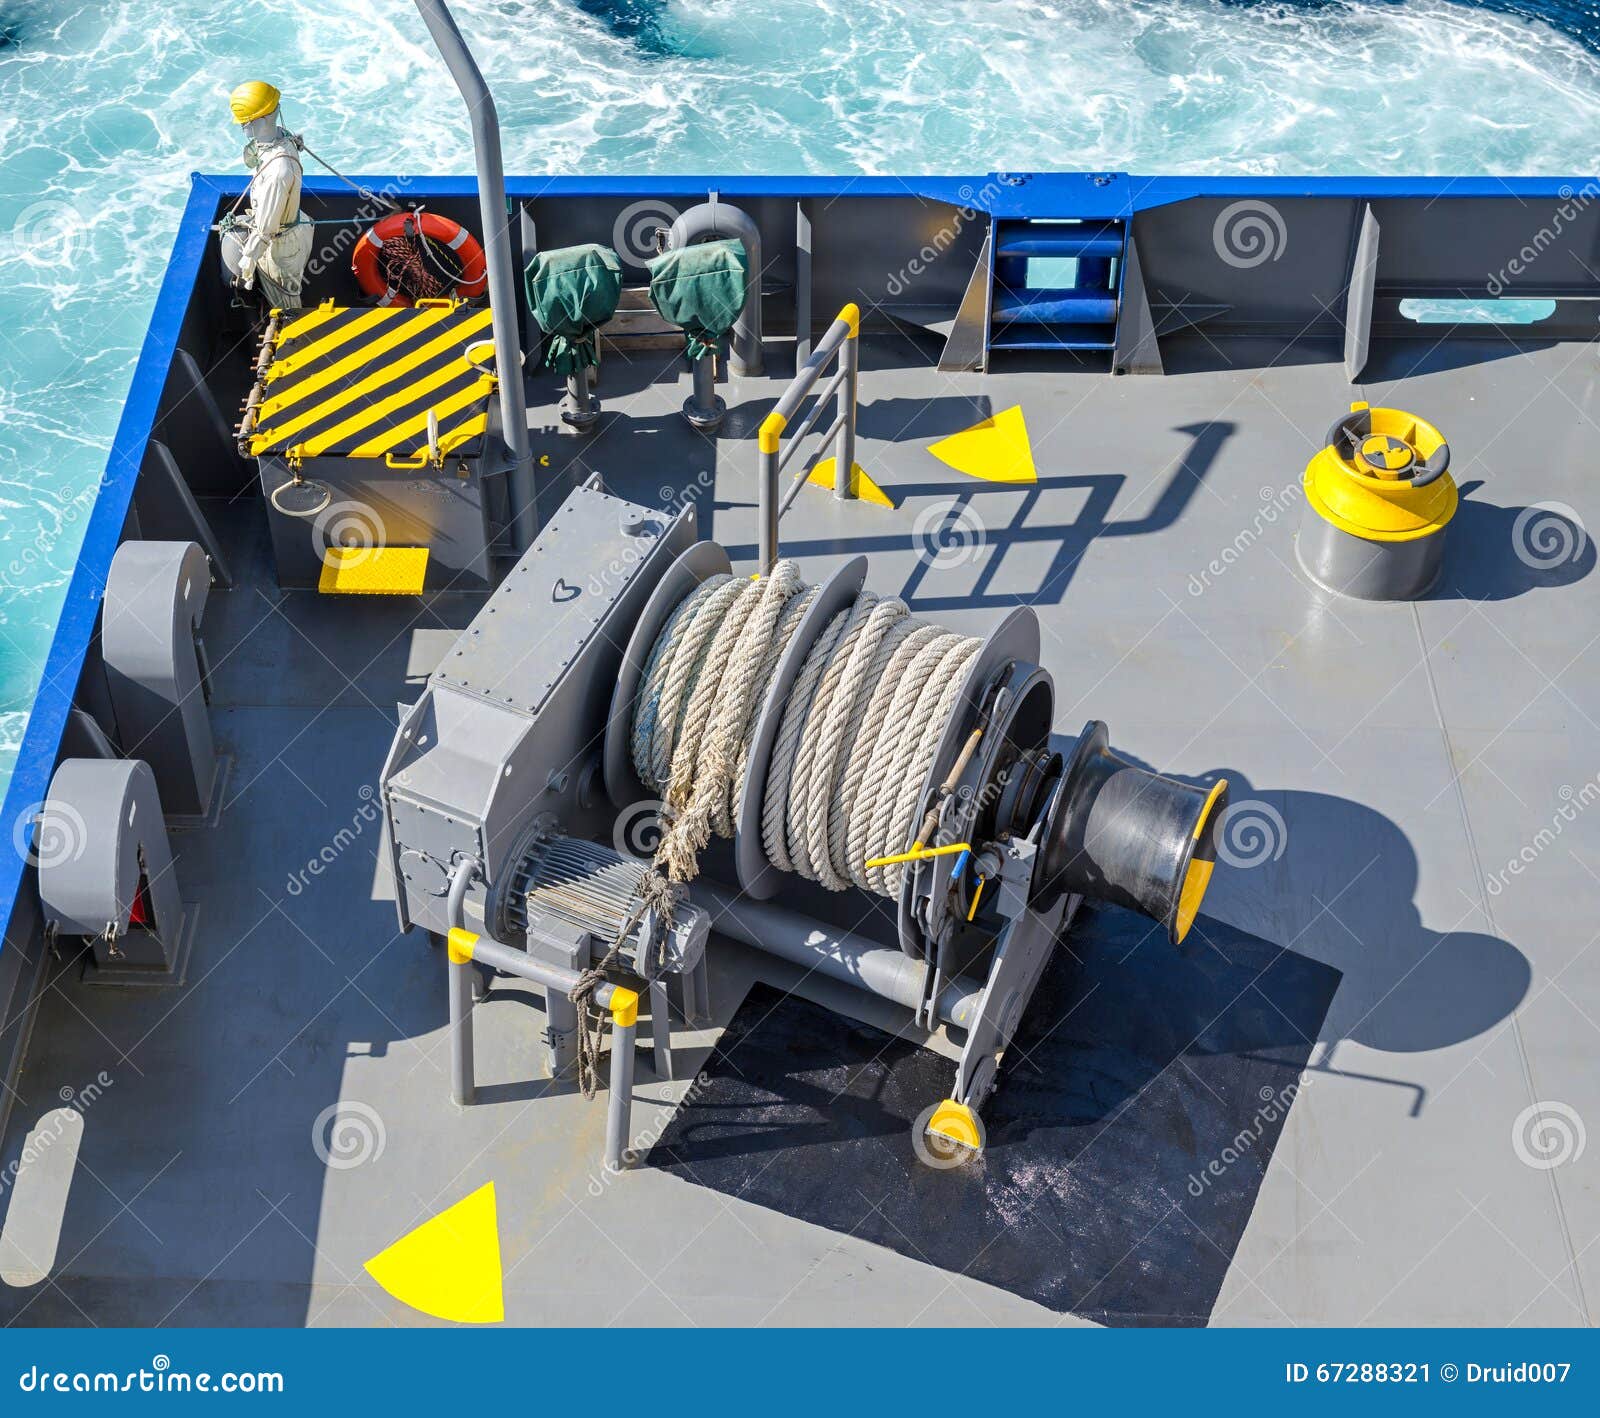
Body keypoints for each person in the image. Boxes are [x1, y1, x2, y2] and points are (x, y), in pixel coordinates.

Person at [227, 80, 313, 310]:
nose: (243, 127)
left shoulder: (277, 173)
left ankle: (295, 338)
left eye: (245, 122)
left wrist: (249, 257)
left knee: (286, 303)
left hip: (281, 246)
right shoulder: (282, 138)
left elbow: (266, 228)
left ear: (261, 120)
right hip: (294, 228)